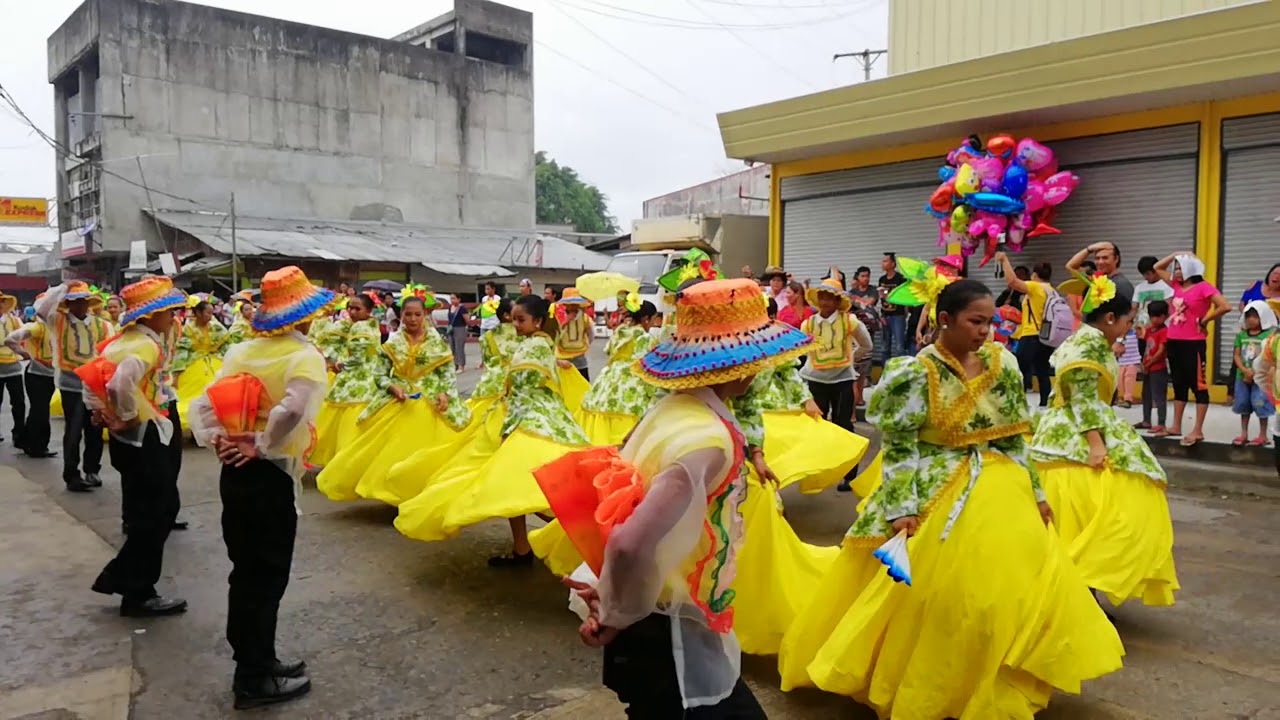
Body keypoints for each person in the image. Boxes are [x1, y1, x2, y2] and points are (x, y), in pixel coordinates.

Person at [778, 279, 1124, 718]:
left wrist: (1036, 493)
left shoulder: (1004, 364)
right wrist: (903, 507)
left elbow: (1016, 438)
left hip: (1000, 487)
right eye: (975, 321)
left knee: (1011, 589)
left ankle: (997, 672)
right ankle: (932, 681)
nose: (985, 331)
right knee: (933, 597)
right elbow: (900, 447)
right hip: (933, 486)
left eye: (989, 321)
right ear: (945, 320)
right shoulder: (914, 373)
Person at [553, 278, 815, 717]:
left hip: (656, 613)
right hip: (663, 623)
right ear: (746, 363)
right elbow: (629, 542)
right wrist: (615, 615)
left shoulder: (672, 409)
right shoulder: (707, 440)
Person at [188, 266, 333, 709]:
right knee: (266, 576)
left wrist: (223, 439)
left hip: (237, 471)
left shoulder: (242, 351)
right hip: (268, 471)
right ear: (304, 315)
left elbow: (204, 403)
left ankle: (260, 659)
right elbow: (291, 411)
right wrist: (263, 443)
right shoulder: (304, 357)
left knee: (247, 572)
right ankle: (252, 678)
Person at [393, 295, 589, 566]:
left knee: (533, 491)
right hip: (539, 420)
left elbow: (523, 393)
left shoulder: (533, 346)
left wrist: (509, 428)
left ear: (538, 321)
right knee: (516, 489)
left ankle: (579, 543)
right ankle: (527, 548)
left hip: (529, 424)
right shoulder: (538, 343)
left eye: (521, 320)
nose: (515, 324)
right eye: (514, 318)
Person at [1031, 272, 1179, 609]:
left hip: (1076, 428)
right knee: (1096, 514)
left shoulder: (1089, 340)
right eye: (1128, 320)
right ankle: (1079, 591)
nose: (1130, 327)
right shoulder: (1087, 346)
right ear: (1110, 318)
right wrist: (1097, 446)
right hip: (1078, 436)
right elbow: (1082, 400)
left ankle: (1082, 588)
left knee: (1091, 515)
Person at [85, 275, 189, 618]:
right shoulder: (145, 345)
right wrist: (127, 416)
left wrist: (104, 413)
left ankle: (128, 580)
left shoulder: (119, 342)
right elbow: (117, 384)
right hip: (145, 434)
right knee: (157, 512)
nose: (172, 317)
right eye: (167, 311)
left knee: (152, 509)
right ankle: (136, 589)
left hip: (132, 437)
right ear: (149, 315)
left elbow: (95, 381)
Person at [317, 291, 469, 506]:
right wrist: (391, 386)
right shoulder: (393, 342)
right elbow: (379, 373)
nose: (413, 319)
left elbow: (446, 373)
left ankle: (419, 492)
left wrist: (444, 393)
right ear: (401, 316)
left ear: (425, 315)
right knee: (389, 451)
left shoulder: (436, 342)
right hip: (399, 402)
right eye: (408, 315)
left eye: (418, 315)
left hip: (429, 400)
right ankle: (394, 492)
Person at [36, 282, 112, 492]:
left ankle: (91, 469)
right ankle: (71, 474)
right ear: (67, 304)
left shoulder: (102, 325)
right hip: (71, 384)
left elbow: (109, 353)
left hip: (95, 383)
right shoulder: (58, 321)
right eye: (74, 302)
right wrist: (62, 289)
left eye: (83, 301)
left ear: (89, 303)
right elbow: (41, 309)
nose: (80, 306)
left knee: (95, 429)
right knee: (74, 430)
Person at [799, 279, 873, 490]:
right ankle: (819, 472)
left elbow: (866, 345)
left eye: (830, 297)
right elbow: (802, 350)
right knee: (817, 428)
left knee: (844, 427)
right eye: (821, 296)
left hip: (842, 381)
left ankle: (848, 475)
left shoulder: (850, 322)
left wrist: (851, 359)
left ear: (838, 300)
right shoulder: (808, 324)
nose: (824, 301)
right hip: (815, 380)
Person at [1152, 253, 1231, 447]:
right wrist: (1175, 255)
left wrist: (1205, 320)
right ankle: (1176, 425)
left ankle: (1197, 429)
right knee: (1178, 383)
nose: (1177, 272)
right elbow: (1157, 268)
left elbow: (1224, 306)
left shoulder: (1204, 287)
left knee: (1198, 385)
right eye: (1176, 268)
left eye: (1180, 268)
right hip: (1174, 340)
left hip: (1193, 342)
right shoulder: (1177, 286)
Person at [575, 296, 663, 446]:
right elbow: (645, 362)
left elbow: (608, 350)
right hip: (632, 379)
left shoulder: (620, 330)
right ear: (646, 319)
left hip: (611, 376)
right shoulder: (645, 337)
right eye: (654, 318)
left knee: (603, 407)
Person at [309, 294, 382, 468]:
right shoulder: (371, 324)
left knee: (347, 419)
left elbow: (358, 357)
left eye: (358, 308)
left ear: (368, 310)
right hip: (370, 377)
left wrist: (339, 365)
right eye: (350, 307)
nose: (352, 311)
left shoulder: (360, 328)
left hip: (357, 379)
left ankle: (346, 461)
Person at [997, 252, 1055, 407]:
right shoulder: (1051, 290)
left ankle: (1018, 402)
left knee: (1018, 366)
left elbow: (1012, 281)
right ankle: (1044, 405)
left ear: (1035, 275)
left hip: (1031, 334)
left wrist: (1004, 259)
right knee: (1042, 370)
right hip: (1045, 335)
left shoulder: (1035, 287)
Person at [5, 298, 56, 458]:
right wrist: (25, 354)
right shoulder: (37, 327)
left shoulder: (57, 327)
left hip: (52, 374)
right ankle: (36, 446)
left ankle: (28, 442)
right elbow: (10, 339)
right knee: (40, 411)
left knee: (40, 410)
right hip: (36, 375)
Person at [172, 299, 231, 422]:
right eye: (208, 313)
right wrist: (177, 374)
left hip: (215, 362)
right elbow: (182, 352)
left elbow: (227, 345)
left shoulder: (216, 327)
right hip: (194, 364)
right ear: (198, 313)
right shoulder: (187, 329)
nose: (210, 316)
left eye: (212, 313)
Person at [1232, 301, 1277, 446]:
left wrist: (1256, 373)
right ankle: (1243, 433)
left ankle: (1262, 435)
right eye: (1248, 316)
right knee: (1243, 403)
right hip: (1242, 377)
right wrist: (1245, 371)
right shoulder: (1241, 335)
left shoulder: (1269, 336)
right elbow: (1237, 355)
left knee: (1260, 403)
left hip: (1261, 379)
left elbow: (1270, 358)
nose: (1251, 320)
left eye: (1255, 316)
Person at [1067, 241, 1135, 309]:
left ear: (1116, 259)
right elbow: (1071, 266)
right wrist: (1089, 249)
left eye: (1105, 258)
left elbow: (1127, 315)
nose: (1100, 262)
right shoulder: (1096, 278)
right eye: (1097, 258)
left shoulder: (1121, 284)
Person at [1141, 300, 1171, 435]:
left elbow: (1161, 351)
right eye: (1152, 316)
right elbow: (1146, 348)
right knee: (1146, 394)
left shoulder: (1164, 331)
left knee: (1159, 396)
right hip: (1147, 367)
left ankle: (1161, 423)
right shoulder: (1149, 330)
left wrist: (1150, 362)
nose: (1154, 319)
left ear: (1165, 316)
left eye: (1158, 316)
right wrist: (1144, 363)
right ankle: (1146, 420)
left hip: (1158, 368)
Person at [0, 293, 25, 447]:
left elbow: (24, 337)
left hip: (13, 367)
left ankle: (19, 433)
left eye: (2, 302)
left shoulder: (14, 321)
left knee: (19, 402)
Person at [555, 288, 593, 382]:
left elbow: (590, 334)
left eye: (575, 304)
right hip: (562, 358)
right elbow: (554, 335)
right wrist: (566, 320)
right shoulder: (558, 317)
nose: (573, 306)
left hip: (580, 357)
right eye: (570, 304)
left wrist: (585, 345)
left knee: (583, 385)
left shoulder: (585, 318)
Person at [877, 252, 907, 359]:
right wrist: (882, 315)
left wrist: (887, 296)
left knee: (899, 346)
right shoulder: (882, 279)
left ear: (893, 264)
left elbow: (903, 298)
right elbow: (882, 299)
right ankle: (885, 371)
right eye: (883, 261)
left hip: (897, 315)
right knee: (884, 347)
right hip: (885, 315)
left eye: (886, 261)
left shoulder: (900, 278)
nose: (883, 263)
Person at [1116, 328, 1141, 408]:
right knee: (1120, 379)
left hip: (1133, 361)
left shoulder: (1135, 333)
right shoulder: (1118, 334)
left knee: (1129, 379)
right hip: (1121, 362)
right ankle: (1121, 397)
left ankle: (1128, 399)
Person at [446, 294, 468, 372]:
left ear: (459, 299)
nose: (452, 300)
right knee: (452, 347)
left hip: (460, 328)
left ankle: (461, 365)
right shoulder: (450, 308)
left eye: (454, 298)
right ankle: (454, 364)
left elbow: (467, 319)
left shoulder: (462, 308)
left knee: (459, 347)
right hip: (451, 329)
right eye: (451, 298)